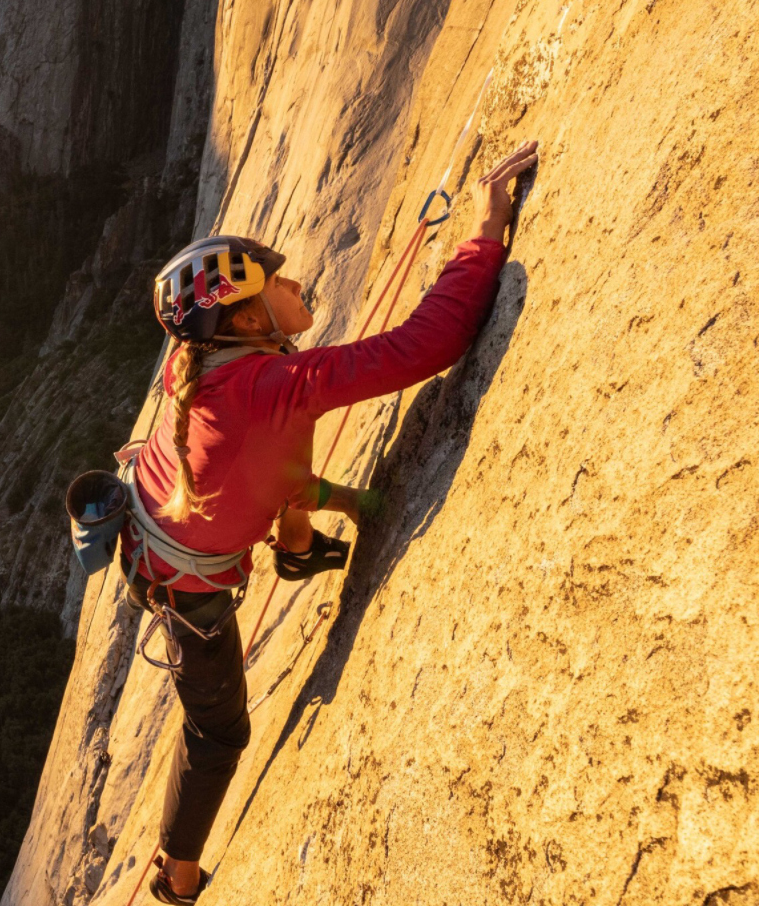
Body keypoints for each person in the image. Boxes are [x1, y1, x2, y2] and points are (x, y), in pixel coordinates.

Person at [121, 140, 539, 904]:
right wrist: (486, 232)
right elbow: (428, 343)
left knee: (290, 437)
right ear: (247, 314)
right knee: (220, 734)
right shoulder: (275, 382)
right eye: (277, 280)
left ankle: (297, 546)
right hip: (183, 586)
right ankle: (174, 875)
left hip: (156, 515)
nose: (296, 280)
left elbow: (250, 456)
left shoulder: (224, 370)